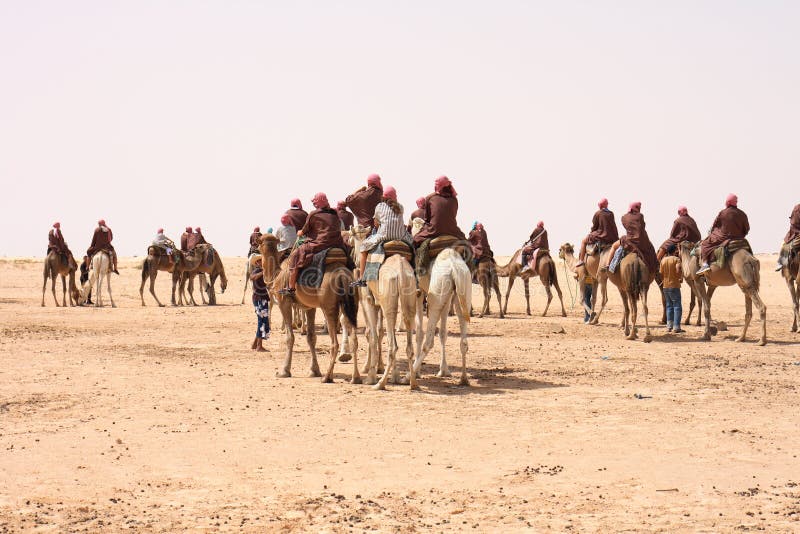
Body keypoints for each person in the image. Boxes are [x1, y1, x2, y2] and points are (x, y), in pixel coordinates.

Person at [281, 193, 346, 294]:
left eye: (314, 201)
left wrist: (299, 232)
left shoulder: (313, 214)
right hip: (337, 243)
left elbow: (304, 230)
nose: (313, 203)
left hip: (319, 243)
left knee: (295, 255)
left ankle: (291, 287)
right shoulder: (335, 213)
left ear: (318, 202)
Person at [352, 186, 412, 286]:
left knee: (363, 248)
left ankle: (362, 278)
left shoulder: (379, 206)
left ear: (384, 197)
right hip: (401, 236)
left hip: (384, 236)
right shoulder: (401, 207)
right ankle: (417, 274)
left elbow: (376, 224)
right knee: (414, 247)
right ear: (394, 196)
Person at [697, 194, 750, 275]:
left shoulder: (723, 213)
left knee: (705, 244)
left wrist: (715, 232)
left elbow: (715, 225)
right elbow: (747, 228)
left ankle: (705, 264)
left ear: (728, 202)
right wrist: (740, 235)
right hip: (739, 238)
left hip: (724, 238)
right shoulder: (742, 214)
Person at [606, 202, 658, 274]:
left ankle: (608, 265)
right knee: (651, 249)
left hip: (629, 240)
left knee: (614, 246)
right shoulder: (640, 216)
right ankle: (656, 267)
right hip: (642, 240)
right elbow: (643, 226)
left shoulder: (624, 217)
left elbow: (626, 226)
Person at [412, 176, 466, 245]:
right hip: (452, 231)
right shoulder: (454, 199)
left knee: (416, 239)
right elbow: (453, 215)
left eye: (436, 184)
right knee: (465, 240)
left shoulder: (430, 197)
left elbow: (427, 219)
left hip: (434, 231)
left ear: (438, 186)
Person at [576, 198, 619, 267]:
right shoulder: (611, 213)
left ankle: (581, 260)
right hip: (612, 237)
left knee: (583, 241)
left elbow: (594, 226)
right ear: (606, 205)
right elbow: (613, 226)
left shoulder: (598, 213)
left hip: (600, 236)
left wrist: (591, 233)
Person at [660, 244, 684, 333]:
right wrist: (679, 277)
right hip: (674, 285)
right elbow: (678, 269)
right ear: (674, 251)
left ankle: (669, 326)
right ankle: (676, 327)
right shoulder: (676, 259)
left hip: (665, 286)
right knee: (677, 306)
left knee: (669, 306)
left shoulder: (663, 260)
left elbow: (661, 273)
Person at [250, 257, 270, 352]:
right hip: (259, 298)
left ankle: (255, 344)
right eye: (259, 261)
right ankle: (259, 346)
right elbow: (252, 277)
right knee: (262, 321)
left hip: (262, 298)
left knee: (262, 320)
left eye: (262, 260)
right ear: (257, 263)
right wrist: (263, 272)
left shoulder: (264, 271)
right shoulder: (257, 270)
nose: (260, 262)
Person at [776, 203, 800, 271]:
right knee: (785, 245)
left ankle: (781, 263)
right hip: (797, 232)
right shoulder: (797, 208)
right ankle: (782, 262)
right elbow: (795, 223)